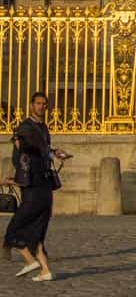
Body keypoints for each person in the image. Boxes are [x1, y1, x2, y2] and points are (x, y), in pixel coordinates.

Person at [5, 92, 69, 282]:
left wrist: (53, 152)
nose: (41, 107)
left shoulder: (40, 128)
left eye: (44, 104)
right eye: (38, 103)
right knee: (36, 230)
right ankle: (45, 270)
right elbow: (24, 154)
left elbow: (29, 154)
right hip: (37, 184)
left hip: (36, 186)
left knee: (15, 230)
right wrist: (51, 153)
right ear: (31, 105)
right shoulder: (26, 127)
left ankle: (30, 261)